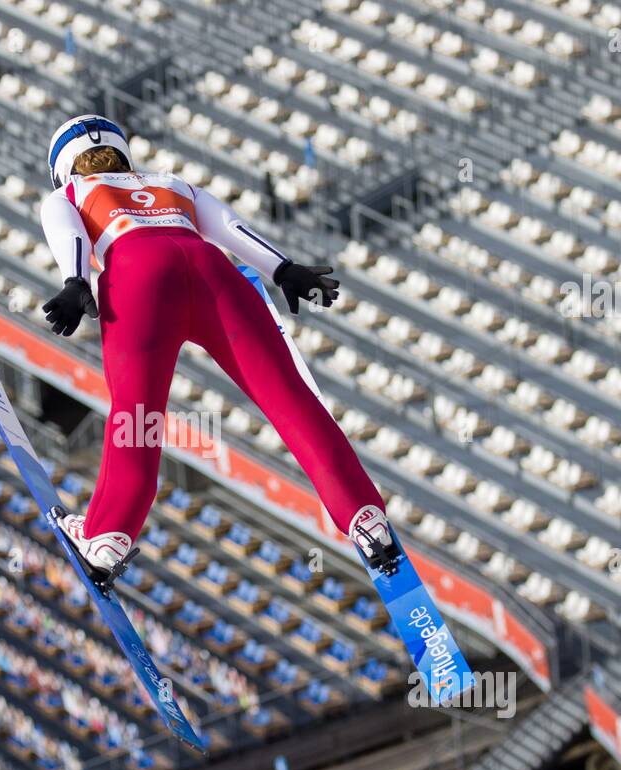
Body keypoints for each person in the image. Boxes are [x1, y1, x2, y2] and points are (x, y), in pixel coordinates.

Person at [38, 115, 394, 575]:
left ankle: (108, 536)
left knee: (138, 419)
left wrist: (74, 282)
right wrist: (284, 269)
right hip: (210, 271)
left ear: (63, 166)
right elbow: (232, 229)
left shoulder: (68, 193)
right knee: (290, 398)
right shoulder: (171, 183)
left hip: (137, 275)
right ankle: (365, 517)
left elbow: (67, 233)